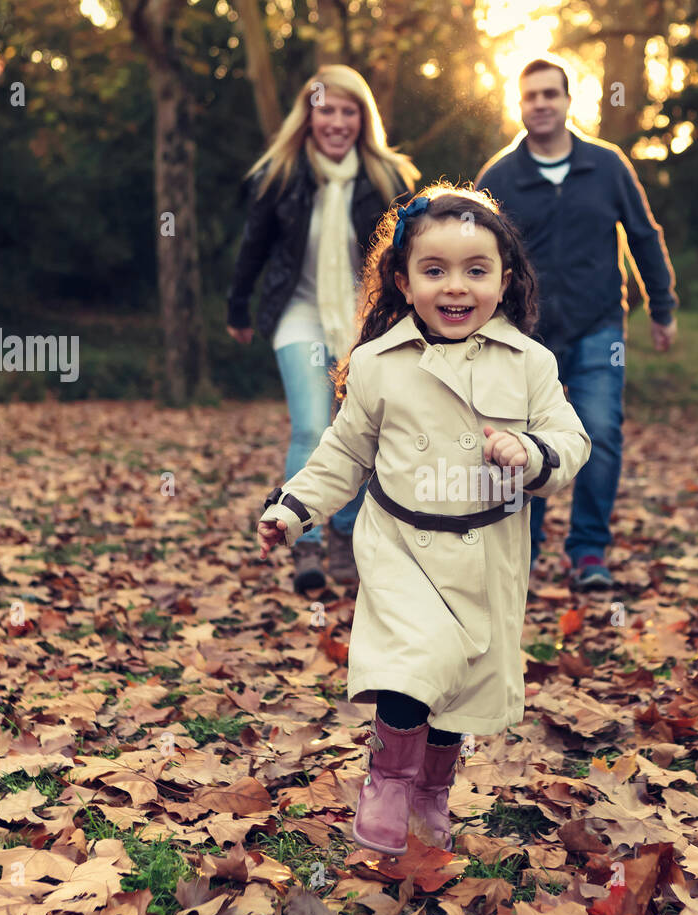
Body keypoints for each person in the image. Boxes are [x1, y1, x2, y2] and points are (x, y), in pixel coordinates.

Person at [256, 185, 590, 855]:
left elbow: (571, 440)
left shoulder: (529, 364)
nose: (455, 286)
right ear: (403, 282)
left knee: (460, 683)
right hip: (402, 544)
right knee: (415, 663)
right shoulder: (380, 365)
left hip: (488, 550)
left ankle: (433, 790)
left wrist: (530, 451)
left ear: (504, 280)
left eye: (476, 269)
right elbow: (345, 450)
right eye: (434, 270)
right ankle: (387, 777)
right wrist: (295, 508)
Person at [475, 56, 679, 590]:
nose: (540, 104)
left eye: (550, 94)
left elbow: (643, 234)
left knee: (601, 434)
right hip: (524, 334)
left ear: (568, 101)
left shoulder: (606, 166)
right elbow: (472, 253)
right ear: (518, 106)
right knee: (522, 441)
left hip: (598, 327)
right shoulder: (499, 177)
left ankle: (588, 552)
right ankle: (526, 548)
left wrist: (663, 306)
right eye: (529, 96)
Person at [227, 65, 419, 595]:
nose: (337, 121)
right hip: (299, 311)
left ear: (363, 117)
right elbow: (254, 247)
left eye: (348, 110)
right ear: (307, 116)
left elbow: (409, 253)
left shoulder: (390, 177)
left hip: (367, 317)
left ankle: (344, 535)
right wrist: (237, 308)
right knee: (312, 427)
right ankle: (303, 538)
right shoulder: (281, 174)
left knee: (357, 430)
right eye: (326, 109)